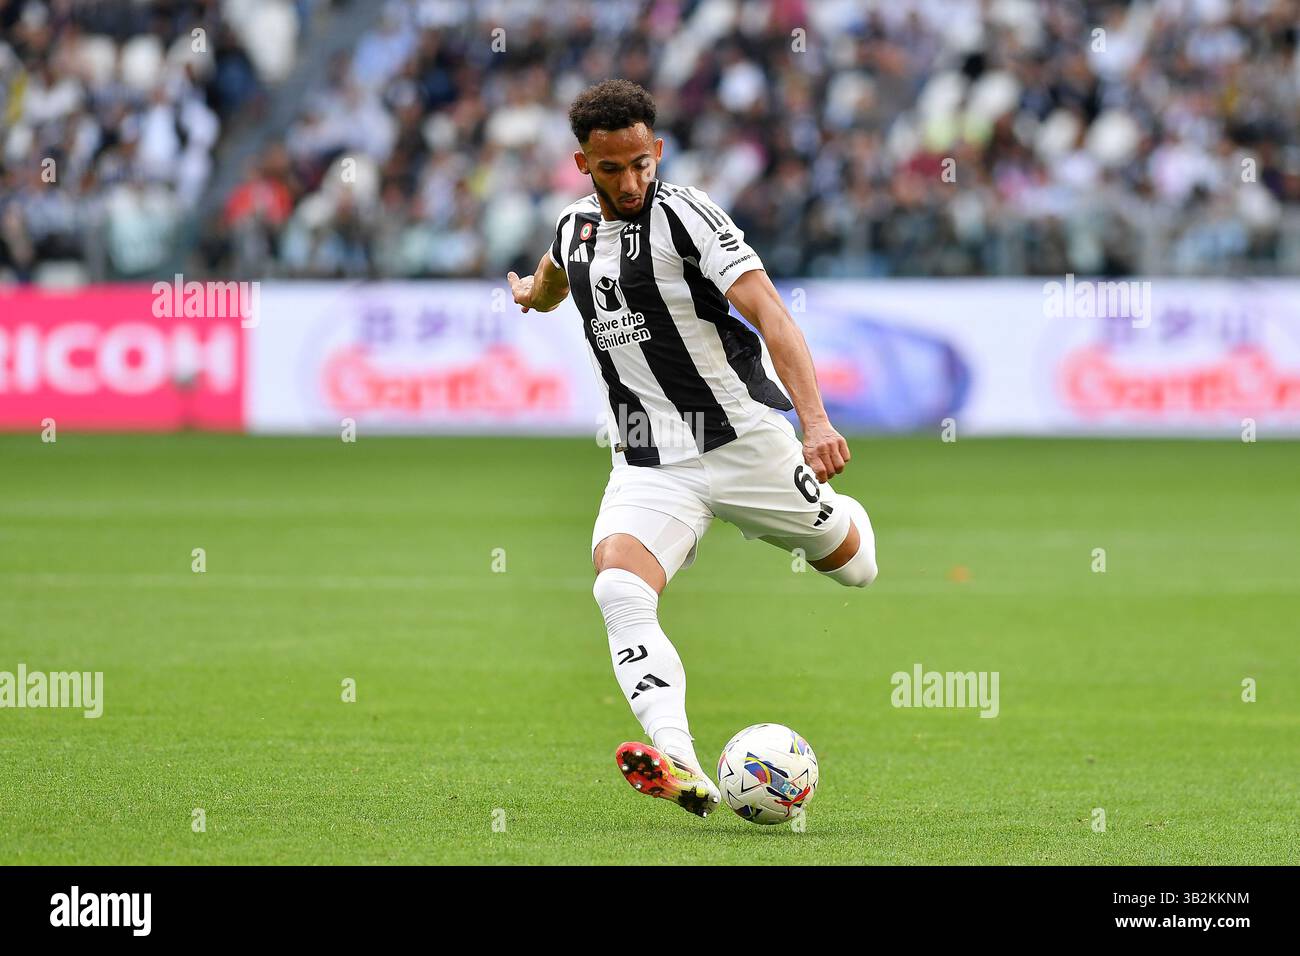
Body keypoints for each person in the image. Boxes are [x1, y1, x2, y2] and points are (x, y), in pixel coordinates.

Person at [507, 79, 877, 817]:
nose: (631, 180)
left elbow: (769, 311)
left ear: (658, 151)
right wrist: (530, 295)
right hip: (649, 460)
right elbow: (555, 282)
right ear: (584, 165)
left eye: (642, 163)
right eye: (612, 168)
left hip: (745, 444)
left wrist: (815, 422)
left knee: (854, 567)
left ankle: (843, 517)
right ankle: (679, 760)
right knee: (618, 587)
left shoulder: (689, 218)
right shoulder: (572, 229)